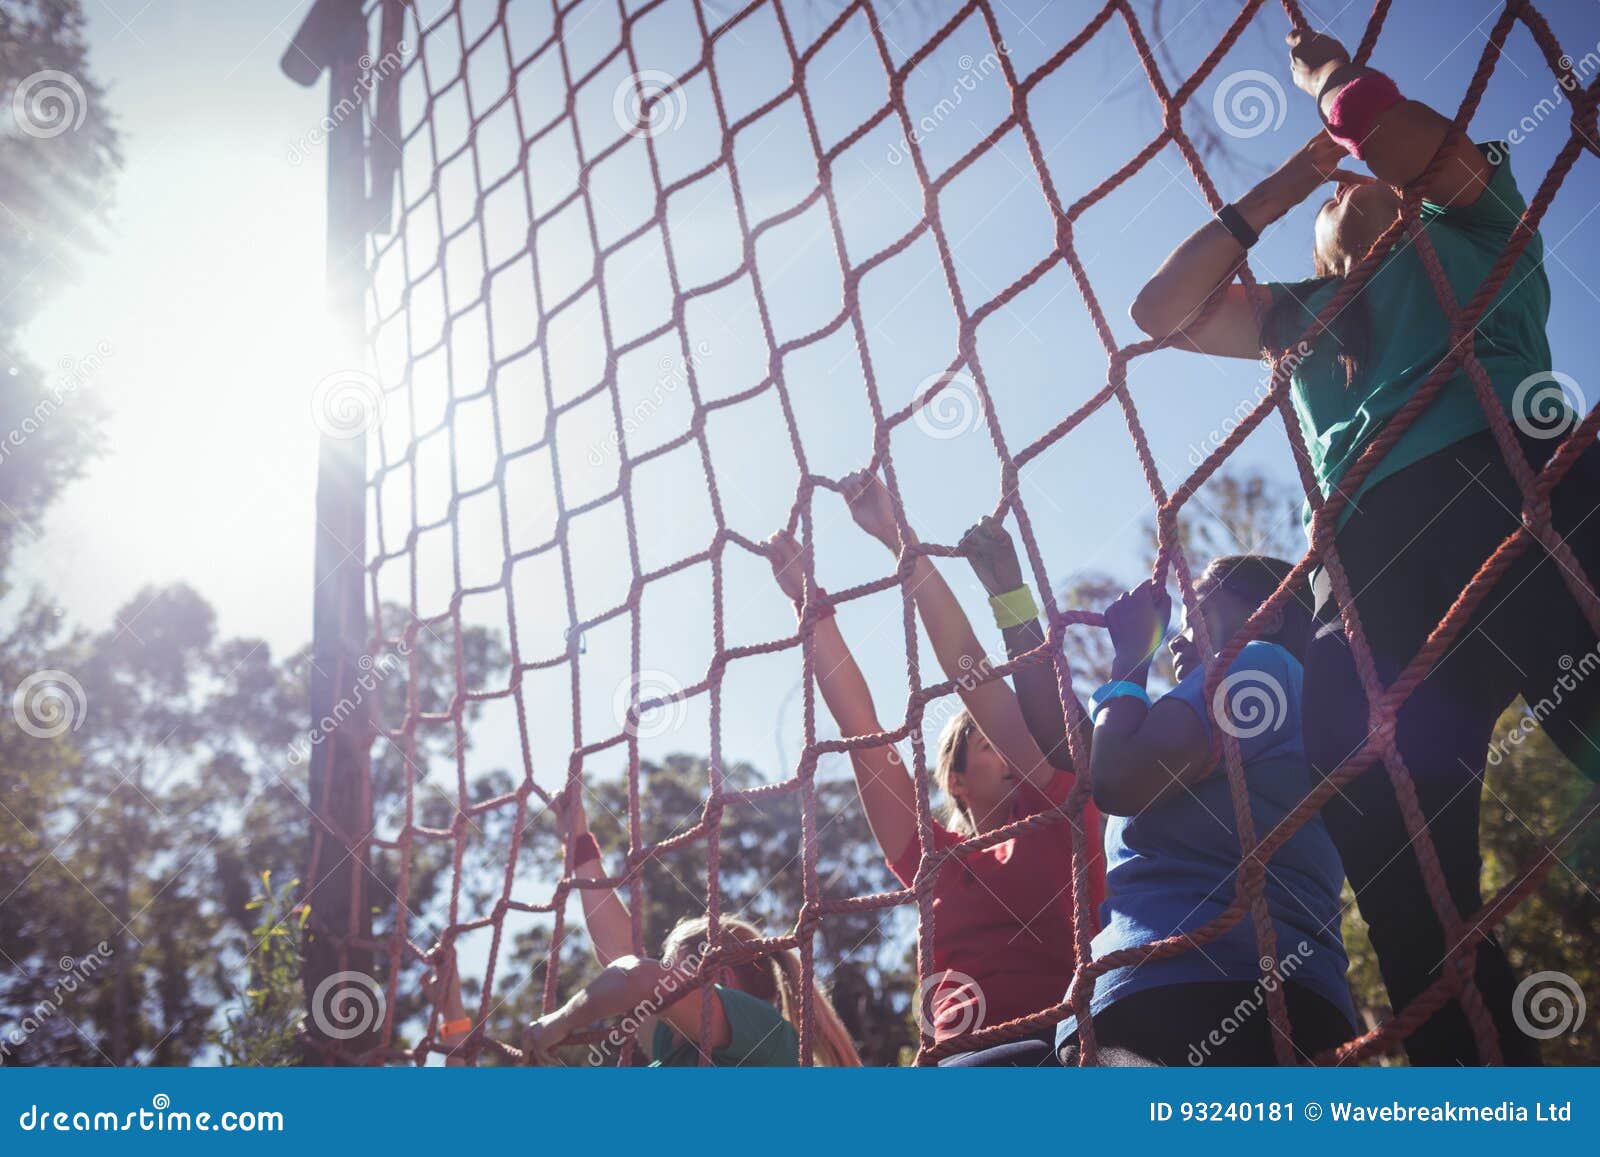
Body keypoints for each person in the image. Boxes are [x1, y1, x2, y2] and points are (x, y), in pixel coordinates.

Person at [1126, 29, 1600, 1064]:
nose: (1347, 193)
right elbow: (1160, 312)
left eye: (1350, 188)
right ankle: (1474, 1059)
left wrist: (1324, 79)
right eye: (1330, 208)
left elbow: (1388, 135)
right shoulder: (1310, 317)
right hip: (1369, 567)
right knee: (1389, 834)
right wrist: (1283, 188)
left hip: (1512, 489)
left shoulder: (1478, 229)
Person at [958, 521, 1355, 1065]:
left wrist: (1131, 658)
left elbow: (1117, 778)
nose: (1180, 637)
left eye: (1200, 617)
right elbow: (1070, 747)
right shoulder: (1199, 724)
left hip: (1209, 988)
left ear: (1270, 615)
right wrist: (1010, 595)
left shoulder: (1262, 668)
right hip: (1165, 993)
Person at [763, 472, 1105, 1066]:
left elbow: (969, 668)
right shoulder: (935, 866)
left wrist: (901, 538)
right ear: (957, 782)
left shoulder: (1059, 808)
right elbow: (865, 736)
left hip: (1060, 1051)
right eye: (985, 743)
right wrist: (809, 606)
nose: (1007, 743)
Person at [520, 790, 861, 1066]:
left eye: (670, 966)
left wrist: (559, 1022)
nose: (661, 969)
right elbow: (620, 954)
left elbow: (635, 977)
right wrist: (578, 844)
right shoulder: (678, 1048)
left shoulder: (767, 1034)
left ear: (720, 980)